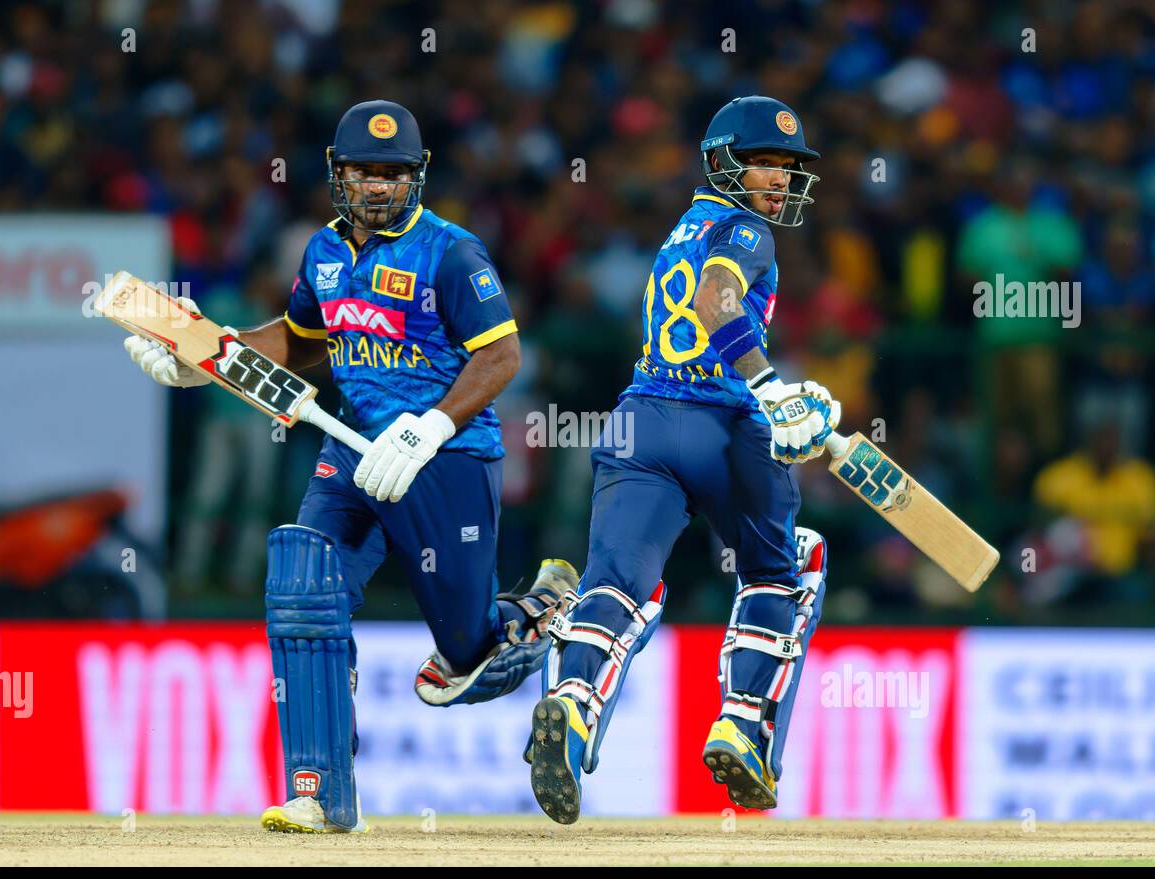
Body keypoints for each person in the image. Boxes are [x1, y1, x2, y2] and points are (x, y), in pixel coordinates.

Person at [124, 100, 577, 833]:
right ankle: (320, 792)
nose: (377, 187)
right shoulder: (323, 252)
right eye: (364, 172)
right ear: (337, 174)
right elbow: (306, 342)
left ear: (418, 177)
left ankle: (541, 608)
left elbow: (501, 355)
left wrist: (428, 428)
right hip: (350, 446)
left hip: (446, 458)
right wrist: (208, 359)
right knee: (304, 585)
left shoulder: (452, 253)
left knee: (463, 661)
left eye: (393, 174)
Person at [526, 96, 837, 824]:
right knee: (787, 565)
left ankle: (570, 707)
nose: (779, 179)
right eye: (764, 161)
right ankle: (741, 725)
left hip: (640, 422)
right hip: (724, 425)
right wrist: (769, 386)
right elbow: (717, 296)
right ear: (723, 161)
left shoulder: (684, 226)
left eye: (788, 167)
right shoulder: (746, 230)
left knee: (617, 584)